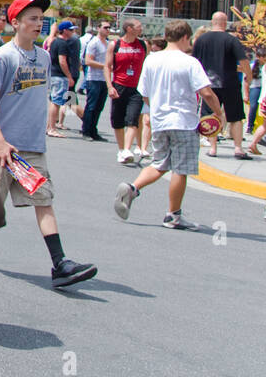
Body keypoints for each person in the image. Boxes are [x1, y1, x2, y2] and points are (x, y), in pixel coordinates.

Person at [0, 0, 98, 289]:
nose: (38, 23)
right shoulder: (4, 56)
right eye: (31, 18)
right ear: (15, 23)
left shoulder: (43, 57)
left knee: (44, 200)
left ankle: (60, 263)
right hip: (2, 145)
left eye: (41, 18)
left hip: (32, 146)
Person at [114, 21, 224, 230]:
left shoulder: (152, 60)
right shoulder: (189, 62)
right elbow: (207, 92)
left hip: (159, 120)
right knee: (180, 170)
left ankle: (132, 187)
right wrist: (218, 114)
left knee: (159, 163)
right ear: (185, 37)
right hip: (183, 121)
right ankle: (173, 215)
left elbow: (144, 93)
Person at [192, 12, 252, 159]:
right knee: (236, 116)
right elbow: (243, 61)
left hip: (208, 83)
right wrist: (248, 77)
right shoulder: (231, 40)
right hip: (230, 82)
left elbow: (194, 62)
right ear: (225, 23)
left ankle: (213, 148)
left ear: (212, 22)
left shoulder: (201, 40)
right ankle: (238, 148)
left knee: (210, 115)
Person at [106, 18, 148, 165]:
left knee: (133, 119)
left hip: (137, 88)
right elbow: (107, 66)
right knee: (117, 120)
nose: (141, 28)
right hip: (119, 85)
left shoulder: (143, 45)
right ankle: (121, 149)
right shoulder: (115, 44)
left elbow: (147, 66)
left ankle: (127, 150)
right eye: (138, 26)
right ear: (129, 28)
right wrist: (110, 86)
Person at [46, 21, 81, 137]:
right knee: (56, 102)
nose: (73, 32)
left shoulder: (55, 41)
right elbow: (62, 61)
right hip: (60, 75)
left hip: (54, 74)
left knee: (55, 101)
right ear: (64, 31)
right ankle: (52, 127)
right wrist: (69, 76)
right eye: (71, 30)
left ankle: (50, 126)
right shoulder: (62, 43)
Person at [80, 21, 112, 141]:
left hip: (104, 79)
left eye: (109, 28)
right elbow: (88, 61)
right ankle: (86, 130)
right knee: (91, 106)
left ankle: (94, 130)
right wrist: (105, 66)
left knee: (99, 106)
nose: (108, 29)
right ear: (98, 28)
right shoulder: (94, 43)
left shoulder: (108, 43)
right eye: (105, 27)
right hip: (93, 78)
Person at [246, 45, 266, 144]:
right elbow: (246, 81)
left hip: (265, 91)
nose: (264, 58)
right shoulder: (254, 66)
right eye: (262, 56)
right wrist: (246, 94)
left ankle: (255, 143)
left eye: (265, 56)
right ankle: (250, 126)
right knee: (253, 106)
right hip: (257, 88)